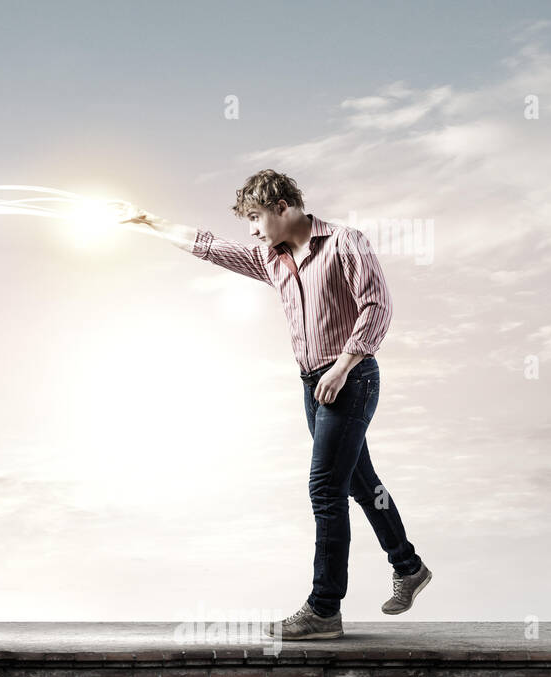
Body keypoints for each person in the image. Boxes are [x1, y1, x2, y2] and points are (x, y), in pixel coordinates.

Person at [119, 169, 431, 639]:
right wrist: (148, 221)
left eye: (256, 217)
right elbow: (210, 246)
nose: (252, 229)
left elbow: (377, 307)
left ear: (283, 206)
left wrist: (342, 367)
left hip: (350, 379)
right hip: (313, 385)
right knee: (360, 485)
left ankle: (324, 609)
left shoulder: (347, 242)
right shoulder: (272, 258)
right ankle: (408, 567)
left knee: (325, 490)